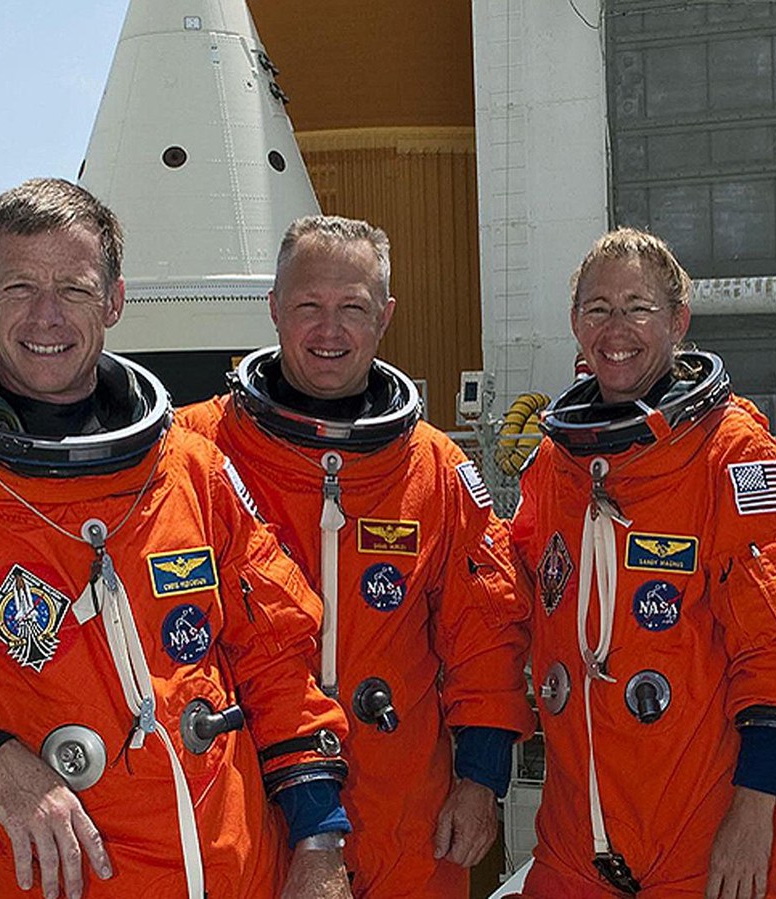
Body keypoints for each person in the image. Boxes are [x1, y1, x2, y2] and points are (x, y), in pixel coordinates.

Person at [0, 179, 356, 899]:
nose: (45, 315)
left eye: (74, 289)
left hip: (246, 871)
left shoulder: (191, 471)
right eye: (20, 286)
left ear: (113, 301)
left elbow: (276, 656)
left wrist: (320, 835)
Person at [176, 215, 535, 897]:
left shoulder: (435, 468)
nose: (329, 330)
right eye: (309, 305)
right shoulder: (196, 453)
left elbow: (486, 634)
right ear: (275, 308)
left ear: (386, 316)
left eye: (353, 308)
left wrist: (482, 780)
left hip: (407, 823)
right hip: (248, 815)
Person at [508, 227, 776, 898]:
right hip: (575, 841)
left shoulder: (734, 454)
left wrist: (754, 813)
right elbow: (518, 598)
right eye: (597, 308)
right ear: (575, 324)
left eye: (638, 306)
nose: (615, 327)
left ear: (679, 319)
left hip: (707, 838)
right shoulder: (556, 464)